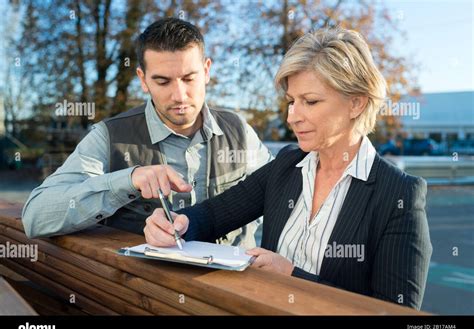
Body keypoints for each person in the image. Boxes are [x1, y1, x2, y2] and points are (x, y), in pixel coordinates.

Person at [143, 27, 432, 310]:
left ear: (356, 103)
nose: (292, 117)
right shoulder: (287, 165)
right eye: (292, 101)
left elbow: (395, 311)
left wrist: (293, 278)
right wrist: (177, 225)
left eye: (311, 101)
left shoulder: (399, 194)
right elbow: (214, 215)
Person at [22, 18, 273, 249]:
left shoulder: (239, 131)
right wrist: (127, 180)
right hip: (145, 291)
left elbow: (280, 193)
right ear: (143, 79)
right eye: (163, 81)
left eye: (189, 78)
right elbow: (36, 216)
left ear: (206, 71)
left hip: (238, 290)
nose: (179, 95)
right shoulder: (110, 137)